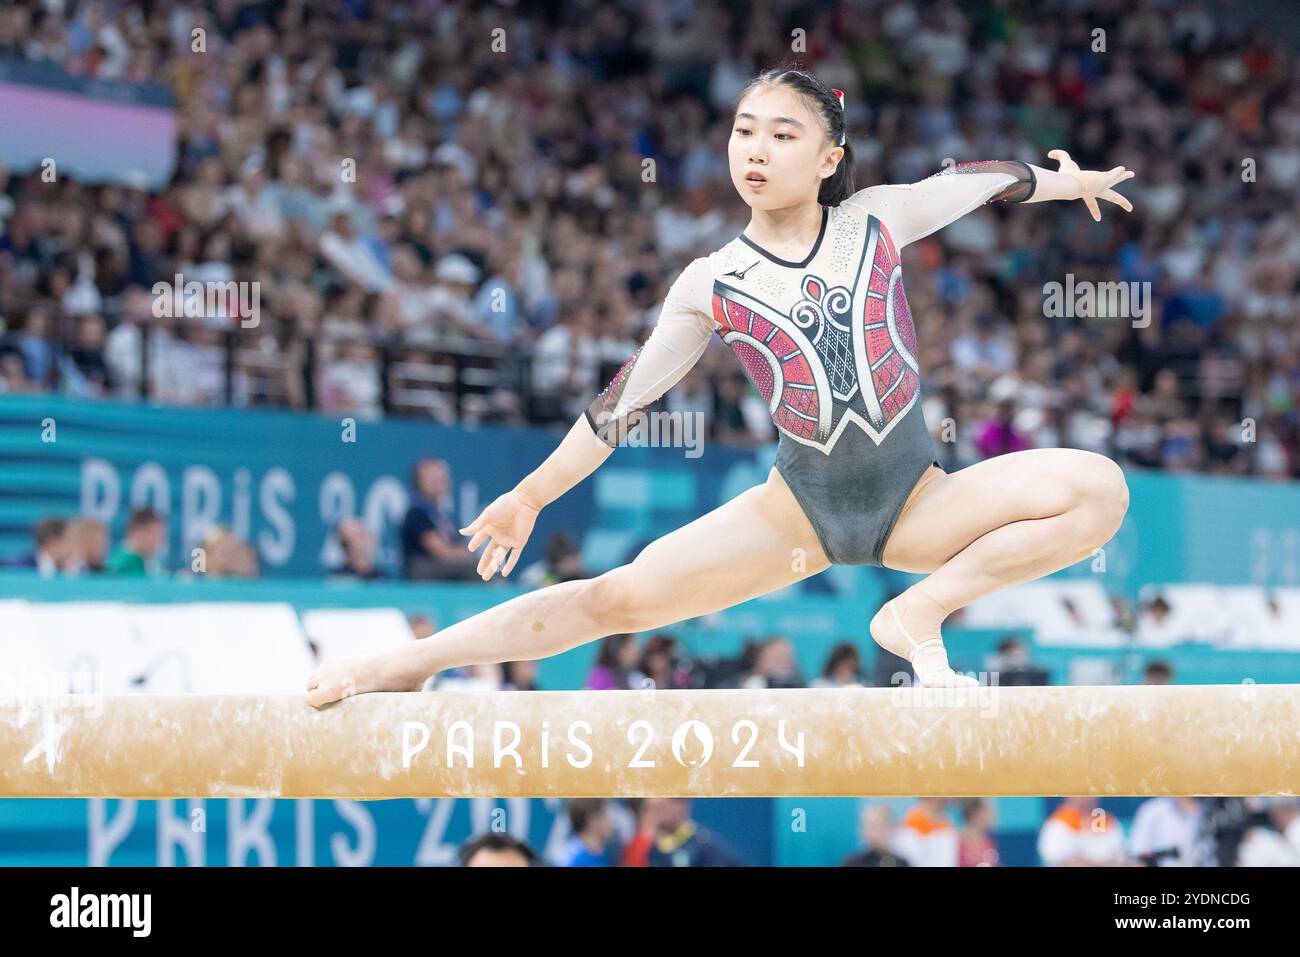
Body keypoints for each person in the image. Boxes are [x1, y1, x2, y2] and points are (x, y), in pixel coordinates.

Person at [307, 66, 1134, 707]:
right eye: (744, 131)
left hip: (918, 498)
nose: (757, 149)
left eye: (783, 134)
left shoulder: (877, 218)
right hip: (795, 513)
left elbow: (989, 181)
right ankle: (409, 662)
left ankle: (920, 612)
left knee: (1097, 490)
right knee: (612, 599)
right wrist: (530, 494)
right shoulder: (712, 281)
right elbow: (615, 409)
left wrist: (1072, 181)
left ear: (829, 159)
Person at [400, 459, 479, 581]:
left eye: (442, 477)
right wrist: (466, 556)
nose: (439, 481)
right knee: (473, 570)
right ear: (419, 481)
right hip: (423, 574)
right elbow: (442, 552)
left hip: (445, 573)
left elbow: (461, 545)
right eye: (432, 477)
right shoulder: (416, 513)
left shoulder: (443, 515)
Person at [104, 507, 166, 576]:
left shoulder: (151, 562)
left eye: (160, 537)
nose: (159, 542)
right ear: (139, 532)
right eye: (155, 535)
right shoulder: (121, 564)